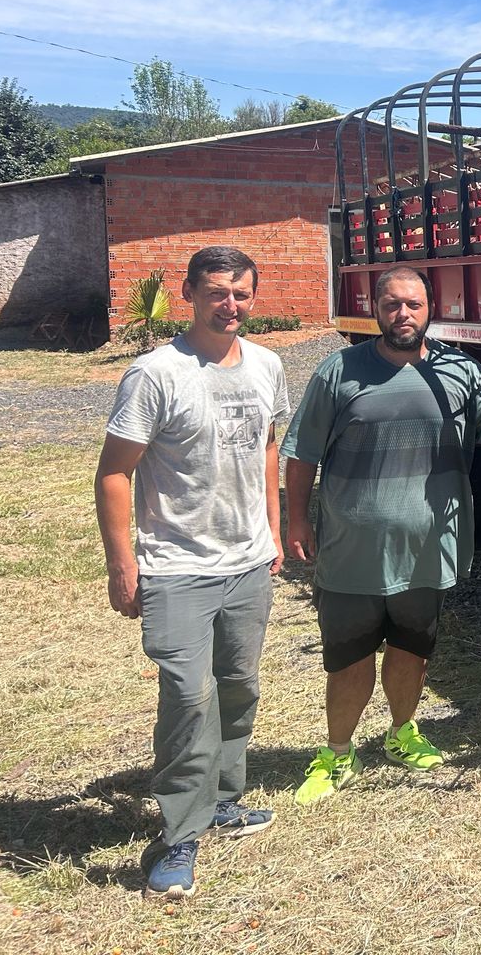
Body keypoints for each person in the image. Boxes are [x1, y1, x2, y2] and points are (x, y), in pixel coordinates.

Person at [94, 246, 289, 901]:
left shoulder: (267, 365)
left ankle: (222, 802)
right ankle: (179, 833)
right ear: (189, 294)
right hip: (175, 566)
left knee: (239, 688)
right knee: (186, 698)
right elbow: (114, 472)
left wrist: (272, 527)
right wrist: (123, 564)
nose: (229, 304)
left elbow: (267, 447)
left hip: (247, 562)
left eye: (240, 293)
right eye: (215, 292)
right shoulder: (155, 374)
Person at [283, 265, 481, 804]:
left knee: (413, 648)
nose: (403, 314)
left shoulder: (460, 371)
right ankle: (337, 753)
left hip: (428, 548)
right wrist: (296, 520)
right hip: (351, 547)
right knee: (347, 656)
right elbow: (302, 453)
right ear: (375, 309)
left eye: (413, 304)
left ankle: (402, 732)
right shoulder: (338, 371)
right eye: (392, 305)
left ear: (432, 308)